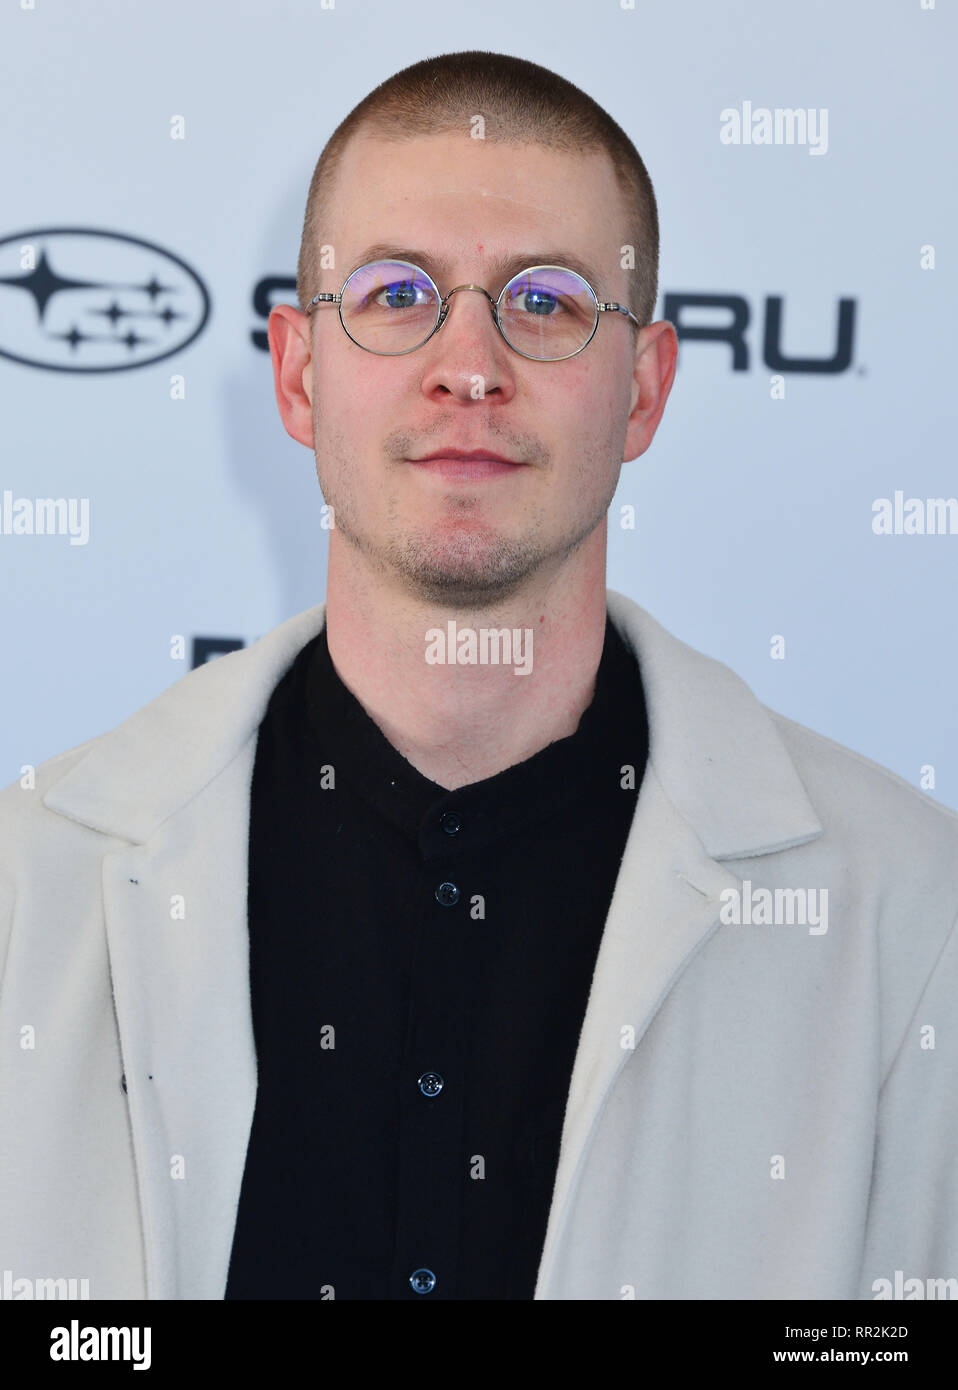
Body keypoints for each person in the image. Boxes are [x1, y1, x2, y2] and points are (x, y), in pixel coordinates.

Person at [1, 49, 956, 1303]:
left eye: (548, 302)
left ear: (643, 390)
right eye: (398, 293)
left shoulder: (906, 910)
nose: (469, 365)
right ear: (297, 372)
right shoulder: (33, 881)